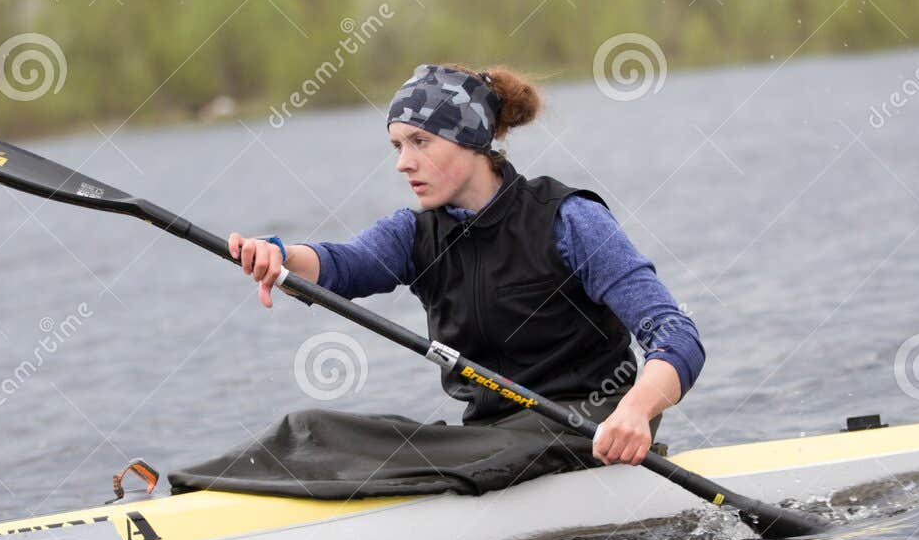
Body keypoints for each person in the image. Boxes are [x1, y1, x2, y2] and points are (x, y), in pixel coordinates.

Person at [226, 63, 704, 469]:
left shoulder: (570, 219)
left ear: (471, 140)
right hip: (491, 444)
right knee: (308, 429)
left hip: (590, 428)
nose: (403, 163)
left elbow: (675, 334)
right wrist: (279, 258)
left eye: (419, 142)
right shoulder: (414, 234)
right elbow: (340, 267)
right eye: (397, 146)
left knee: (444, 451)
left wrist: (636, 409)